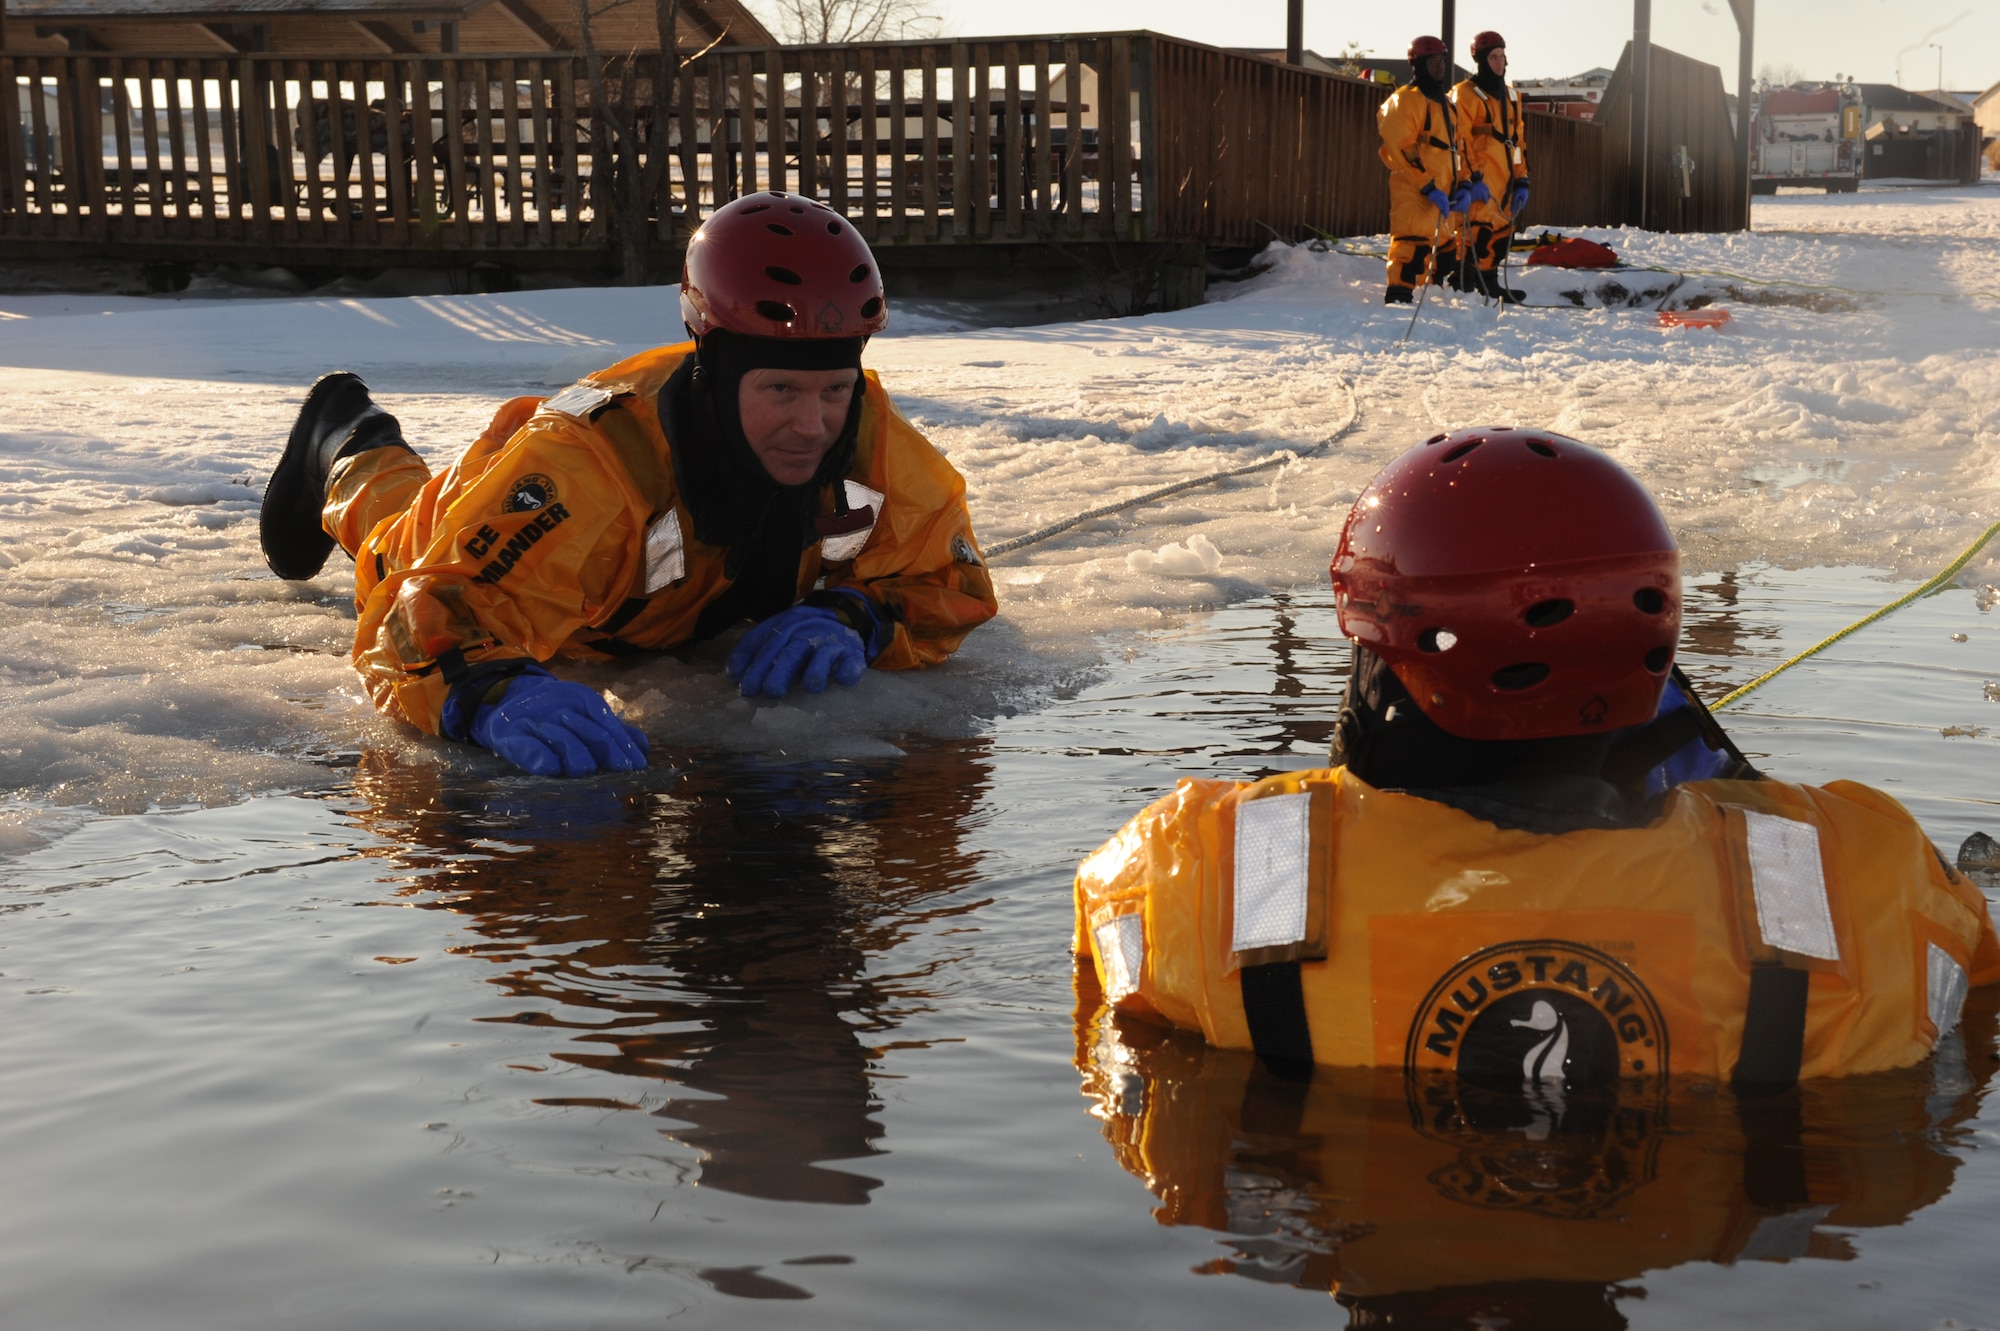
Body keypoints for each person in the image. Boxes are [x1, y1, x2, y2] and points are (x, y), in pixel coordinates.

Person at [1074, 428, 1999, 1090]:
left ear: (1379, 653)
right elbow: (1973, 985)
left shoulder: (1206, 867)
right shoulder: (1854, 869)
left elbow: (1104, 985)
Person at [258, 191, 999, 777]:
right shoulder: (591, 466)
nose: (813, 424)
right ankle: (350, 438)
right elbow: (422, 610)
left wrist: (855, 614)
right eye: (780, 391)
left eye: (833, 390)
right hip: (504, 505)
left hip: (665, 601)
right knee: (395, 543)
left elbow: (953, 578)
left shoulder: (871, 438)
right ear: (717, 371)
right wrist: (489, 693)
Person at [1376, 36, 1471, 305]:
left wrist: (1464, 183)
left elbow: (1458, 150)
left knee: (1444, 253)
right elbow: (1401, 147)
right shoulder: (1404, 101)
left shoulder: (1448, 106)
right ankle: (1398, 297)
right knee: (1410, 246)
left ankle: (1428, 294)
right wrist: (1427, 185)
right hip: (1415, 192)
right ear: (1418, 64)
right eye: (1433, 61)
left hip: (1443, 195)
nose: (1439, 67)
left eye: (1442, 61)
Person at [1448, 31, 1530, 303]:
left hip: (1504, 183)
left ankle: (1489, 284)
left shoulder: (1511, 97)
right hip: (1479, 182)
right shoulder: (1465, 94)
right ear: (1480, 60)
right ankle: (1462, 286)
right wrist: (1469, 179)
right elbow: (1460, 141)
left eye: (1502, 56)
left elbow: (1517, 144)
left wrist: (1521, 180)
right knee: (1474, 237)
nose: (1499, 62)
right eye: (1493, 57)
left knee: (1501, 238)